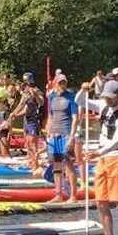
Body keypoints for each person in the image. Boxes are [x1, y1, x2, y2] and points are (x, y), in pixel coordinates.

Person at [78, 80, 118, 235]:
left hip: (117, 158)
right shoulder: (103, 106)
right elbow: (80, 101)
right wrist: (82, 89)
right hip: (102, 159)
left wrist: (97, 153)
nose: (108, 100)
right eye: (106, 97)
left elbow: (117, 141)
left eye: (110, 98)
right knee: (100, 202)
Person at [44, 75, 79, 203]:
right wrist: (48, 131)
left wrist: (72, 136)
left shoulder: (71, 98)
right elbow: (50, 117)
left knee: (69, 165)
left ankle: (73, 196)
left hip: (66, 134)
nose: (62, 84)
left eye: (64, 82)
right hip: (54, 135)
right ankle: (58, 194)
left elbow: (75, 118)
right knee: (56, 165)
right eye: (60, 82)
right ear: (56, 84)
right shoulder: (52, 98)